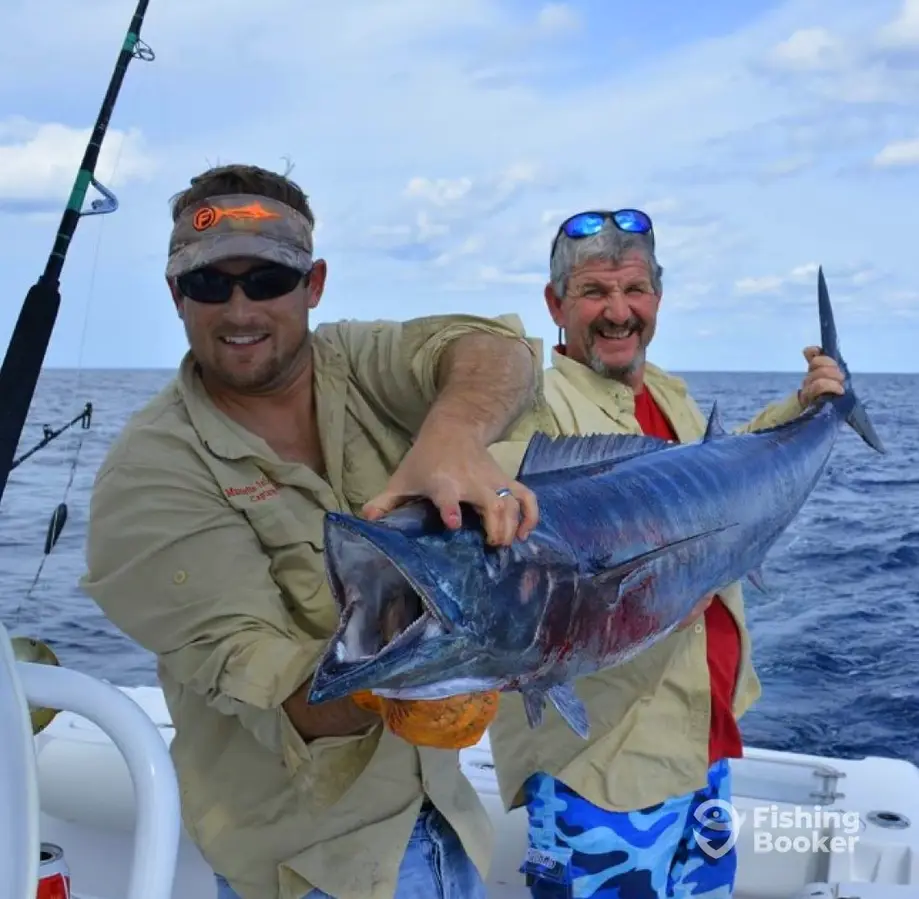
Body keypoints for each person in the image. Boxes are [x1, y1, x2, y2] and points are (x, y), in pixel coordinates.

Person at [80, 163, 545, 899]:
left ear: (313, 285)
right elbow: (259, 675)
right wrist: (406, 685)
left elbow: (494, 348)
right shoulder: (148, 471)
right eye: (209, 284)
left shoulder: (356, 361)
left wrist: (453, 435)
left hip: (448, 821)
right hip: (310, 867)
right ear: (176, 295)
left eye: (266, 281)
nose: (240, 309)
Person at [487, 208, 847, 899]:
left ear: (658, 295)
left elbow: (714, 476)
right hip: (601, 769)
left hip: (701, 742)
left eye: (635, 289)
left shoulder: (668, 393)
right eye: (593, 292)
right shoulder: (531, 408)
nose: (618, 311)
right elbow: (491, 491)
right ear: (554, 303)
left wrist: (803, 408)